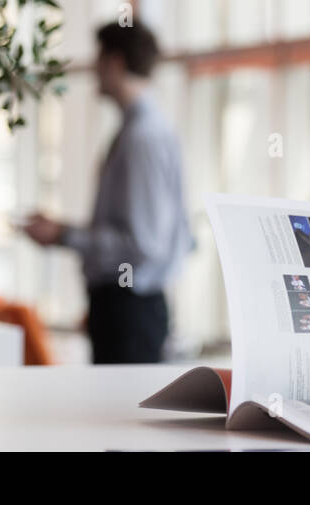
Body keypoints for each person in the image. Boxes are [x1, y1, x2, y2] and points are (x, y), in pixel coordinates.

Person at [23, 19, 193, 364]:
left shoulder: (143, 137)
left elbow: (143, 245)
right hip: (126, 308)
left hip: (130, 311)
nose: (93, 70)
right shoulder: (144, 129)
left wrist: (64, 235)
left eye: (98, 59)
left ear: (115, 63)